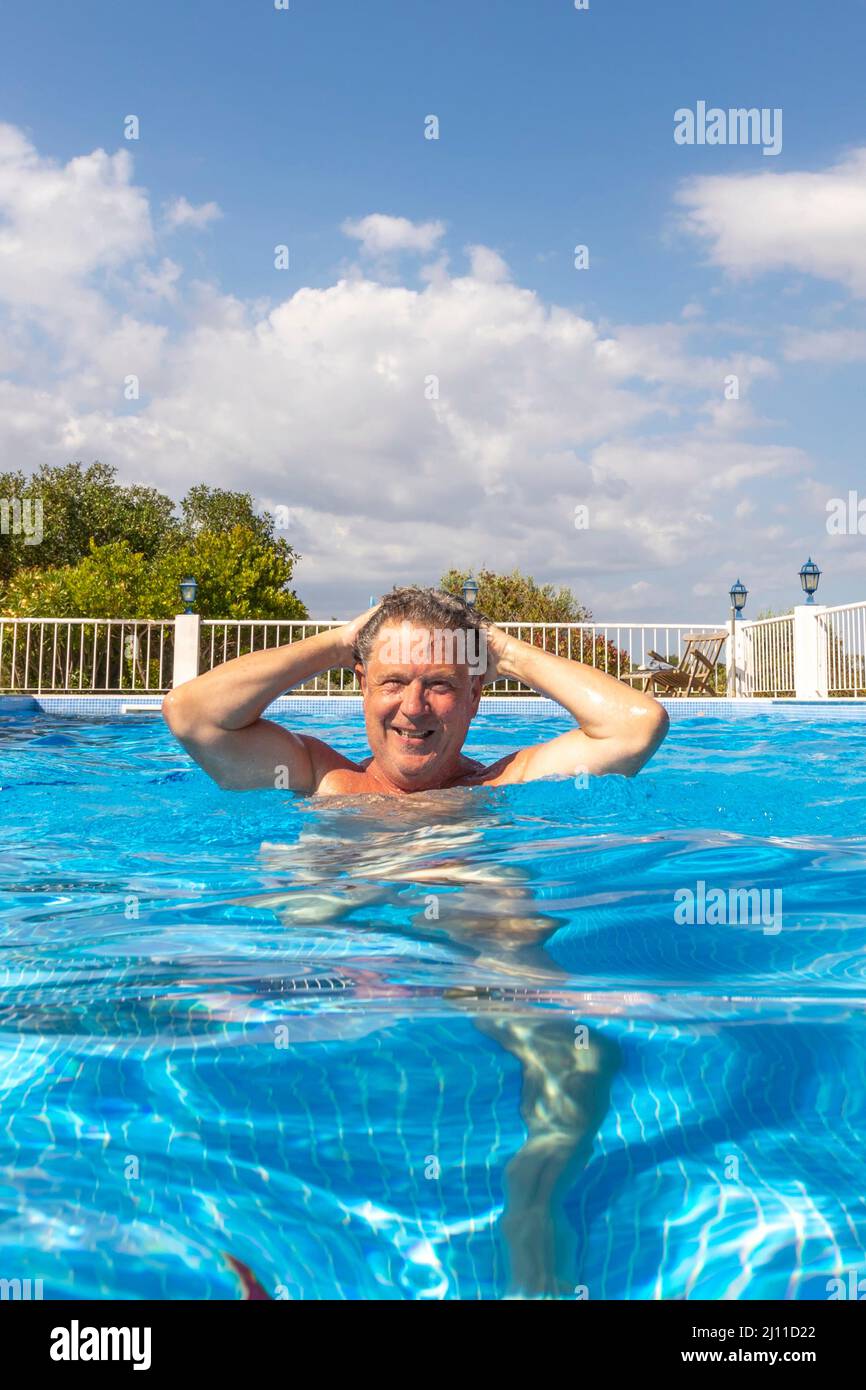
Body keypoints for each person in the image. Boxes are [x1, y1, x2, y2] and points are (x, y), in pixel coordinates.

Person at [162, 586, 669, 795]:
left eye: (441, 685)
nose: (413, 706)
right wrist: (341, 643)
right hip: (328, 968)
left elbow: (636, 725)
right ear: (363, 686)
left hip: (476, 960)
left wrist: (505, 652)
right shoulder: (324, 779)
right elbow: (192, 714)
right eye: (394, 681)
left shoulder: (501, 783)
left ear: (475, 696)